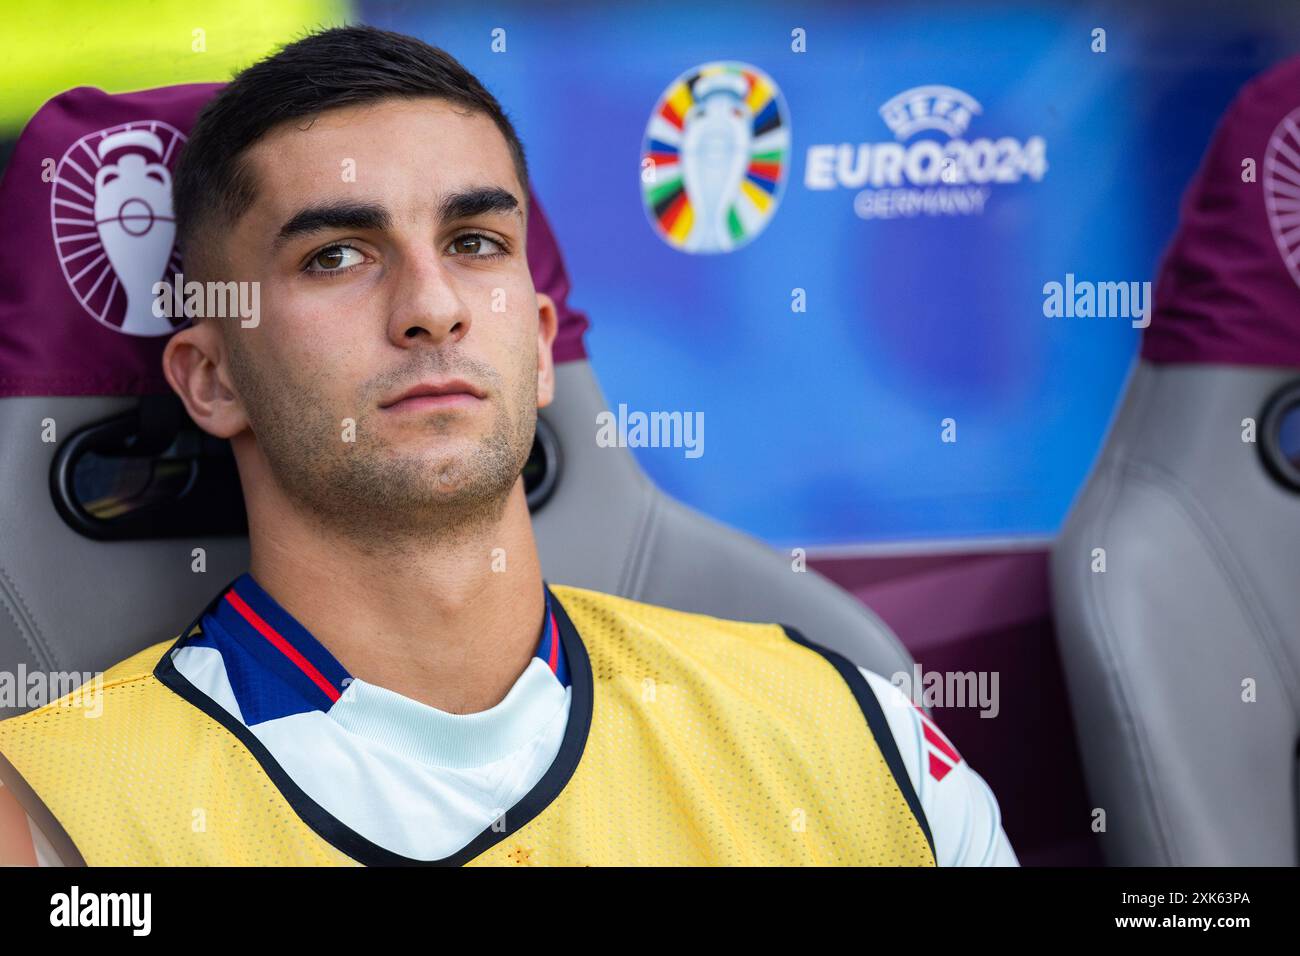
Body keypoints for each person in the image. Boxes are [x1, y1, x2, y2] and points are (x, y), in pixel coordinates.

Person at [0, 25, 1016, 866]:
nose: (431, 307)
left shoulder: (849, 734)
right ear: (211, 378)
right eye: (337, 254)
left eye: (474, 242)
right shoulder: (54, 815)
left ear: (538, 346)